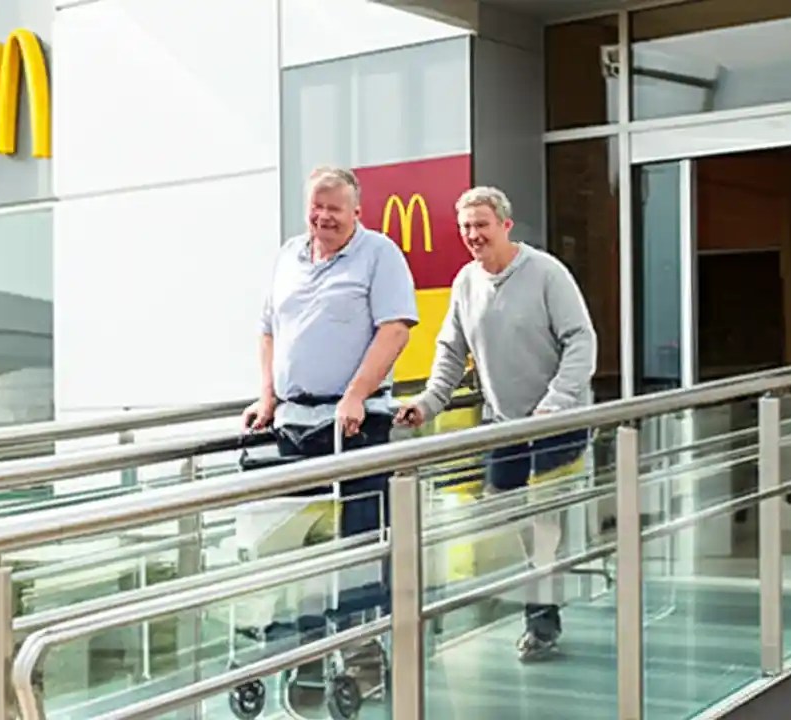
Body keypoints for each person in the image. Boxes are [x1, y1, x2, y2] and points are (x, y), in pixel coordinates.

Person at [396, 185, 597, 662]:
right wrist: (428, 402)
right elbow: (451, 351)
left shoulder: (547, 273)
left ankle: (541, 624)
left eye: (481, 225)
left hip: (557, 422)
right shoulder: (466, 282)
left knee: (543, 519)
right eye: (466, 227)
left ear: (505, 225)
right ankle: (541, 592)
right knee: (511, 514)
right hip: (504, 425)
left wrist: (556, 402)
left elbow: (580, 340)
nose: (473, 235)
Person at [243, 165, 417, 701]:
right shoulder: (289, 255)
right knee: (300, 549)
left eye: (333, 209)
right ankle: (309, 654)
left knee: (358, 547)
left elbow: (395, 329)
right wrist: (268, 395)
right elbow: (270, 330)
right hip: (295, 427)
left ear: (356, 211)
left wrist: (357, 393)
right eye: (315, 208)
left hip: (354, 426)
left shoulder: (379, 254)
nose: (322, 218)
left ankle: (365, 658)